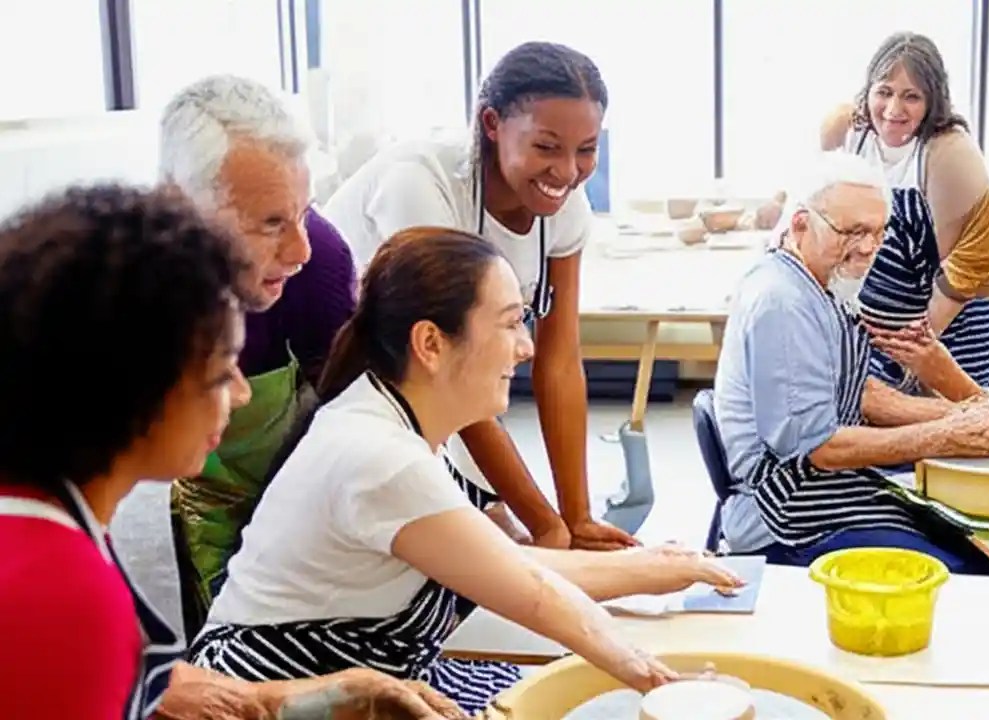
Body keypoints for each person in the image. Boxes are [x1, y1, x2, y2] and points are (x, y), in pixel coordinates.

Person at [186, 228, 742, 714]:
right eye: (509, 325)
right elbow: (530, 591)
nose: (525, 347)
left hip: (371, 685)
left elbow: (495, 562)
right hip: (281, 695)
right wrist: (659, 679)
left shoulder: (401, 421)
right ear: (430, 343)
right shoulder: (379, 455)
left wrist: (660, 567)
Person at [0, 185, 463, 720]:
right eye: (224, 370)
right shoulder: (64, 591)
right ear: (139, 387)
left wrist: (312, 696)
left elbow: (140, 687)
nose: (243, 394)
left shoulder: (43, 508)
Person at [323, 42, 635, 551]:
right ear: (492, 123)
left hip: (437, 393)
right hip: (347, 386)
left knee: (503, 549)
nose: (567, 172)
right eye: (547, 147)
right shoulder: (420, 185)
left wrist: (574, 518)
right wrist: (542, 523)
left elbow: (559, 361)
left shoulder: (565, 208)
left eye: (586, 149)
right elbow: (445, 367)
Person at [713, 152, 989, 570]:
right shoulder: (783, 301)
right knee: (966, 569)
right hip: (786, 507)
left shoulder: (821, 280)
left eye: (878, 232)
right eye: (853, 232)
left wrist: (964, 413)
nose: (870, 248)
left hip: (828, 482)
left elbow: (857, 391)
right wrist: (946, 433)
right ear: (800, 224)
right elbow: (818, 446)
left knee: (971, 537)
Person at [160, 74, 361, 635]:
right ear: (180, 206)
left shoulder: (317, 259)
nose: (297, 248)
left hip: (293, 506)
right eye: (270, 223)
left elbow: (354, 411)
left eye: (303, 212)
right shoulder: (111, 302)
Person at [814, 32, 989, 395]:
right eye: (884, 92)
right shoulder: (847, 133)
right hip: (869, 329)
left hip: (948, 331)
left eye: (911, 96)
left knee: (946, 434)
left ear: (932, 101)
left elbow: (964, 271)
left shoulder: (949, 154)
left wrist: (912, 355)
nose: (893, 110)